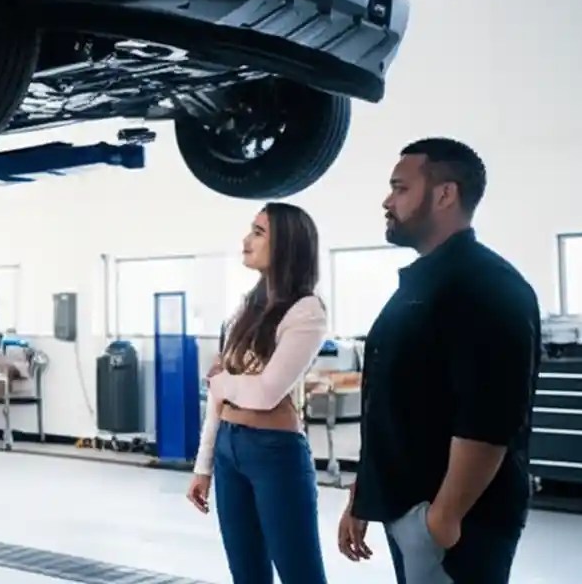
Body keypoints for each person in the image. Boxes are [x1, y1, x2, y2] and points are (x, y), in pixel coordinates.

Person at [338, 138, 541, 584]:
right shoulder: (423, 284)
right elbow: (394, 400)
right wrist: (364, 495)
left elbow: (489, 421)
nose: (387, 201)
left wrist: (442, 521)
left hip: (457, 525)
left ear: (445, 194)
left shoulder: (486, 285)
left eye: (400, 188)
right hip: (411, 511)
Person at [186, 202, 330, 584]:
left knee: (300, 574)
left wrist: (222, 381)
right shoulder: (244, 310)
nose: (246, 240)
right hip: (228, 449)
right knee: (247, 575)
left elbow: (265, 393)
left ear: (286, 244)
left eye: (258, 232)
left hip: (274, 452)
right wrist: (203, 466)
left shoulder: (306, 311)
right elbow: (220, 399)